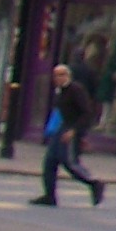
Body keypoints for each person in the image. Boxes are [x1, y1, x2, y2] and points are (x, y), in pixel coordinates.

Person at [31, 64, 103, 208]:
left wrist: (75, 131)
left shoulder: (76, 90)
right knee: (50, 162)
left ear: (67, 76)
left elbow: (86, 113)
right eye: (55, 75)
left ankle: (94, 183)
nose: (57, 78)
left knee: (70, 163)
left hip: (71, 130)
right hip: (62, 128)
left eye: (61, 75)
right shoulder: (60, 91)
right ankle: (50, 196)